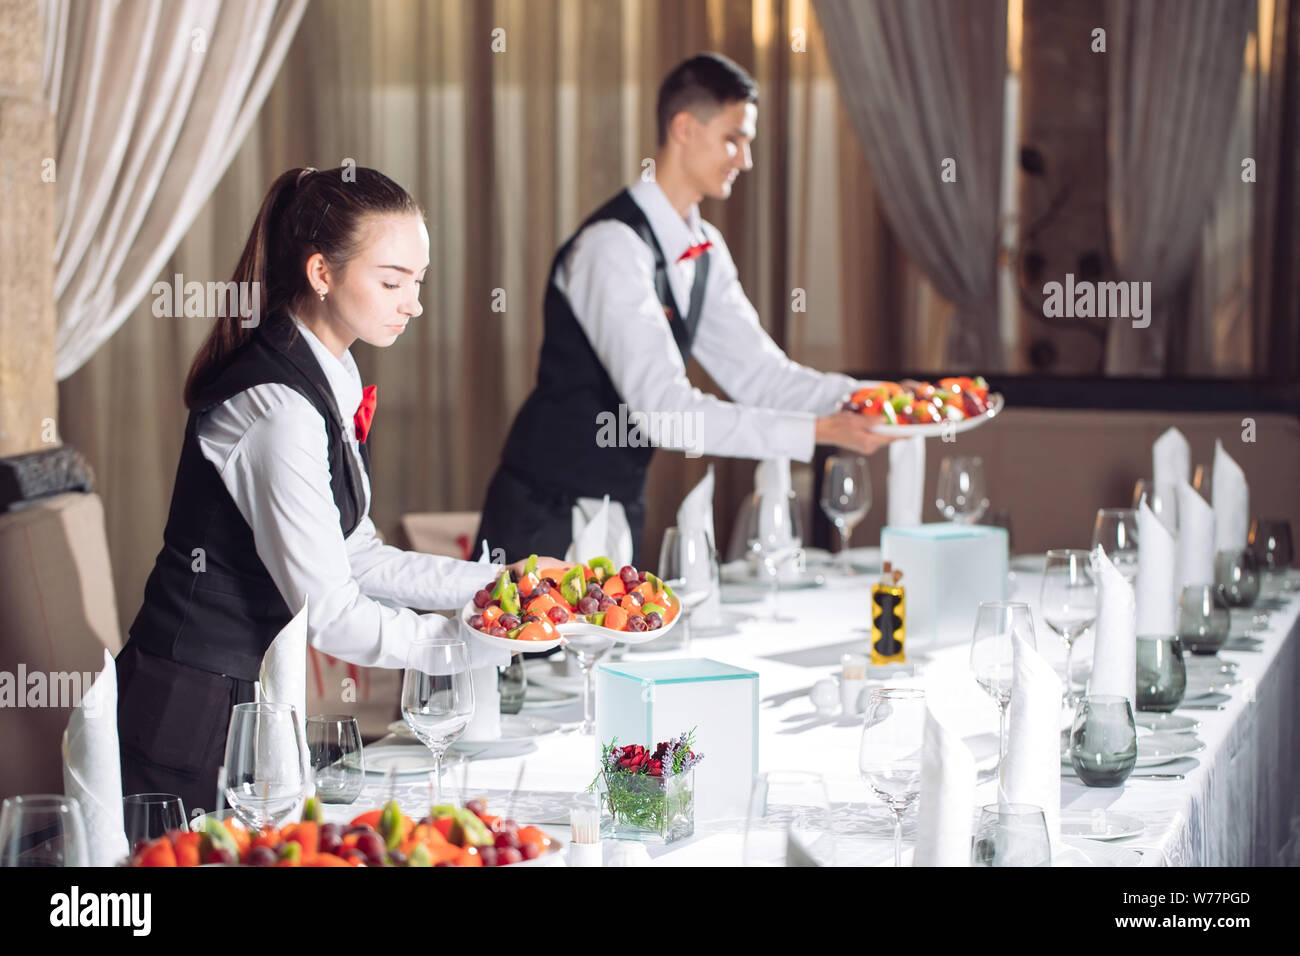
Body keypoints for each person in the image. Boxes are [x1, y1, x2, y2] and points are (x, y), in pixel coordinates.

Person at [116, 166, 564, 814]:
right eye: (392, 281)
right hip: (193, 712)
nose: (413, 303)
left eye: (418, 282)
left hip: (250, 695)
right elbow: (330, 612)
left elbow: (358, 554)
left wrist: (501, 586)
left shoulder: (332, 374)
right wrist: (469, 644)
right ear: (321, 273)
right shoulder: (279, 409)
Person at [476, 52, 895, 566]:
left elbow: (763, 377)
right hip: (545, 512)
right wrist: (816, 432)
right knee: (538, 650)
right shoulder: (612, 246)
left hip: (617, 507)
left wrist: (875, 400)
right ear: (683, 128)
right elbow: (663, 413)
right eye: (733, 138)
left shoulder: (704, 246)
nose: (745, 159)